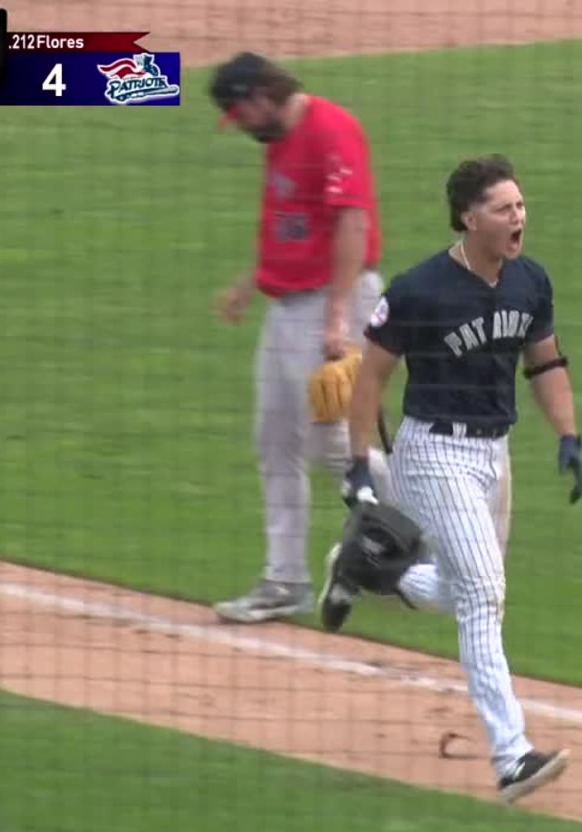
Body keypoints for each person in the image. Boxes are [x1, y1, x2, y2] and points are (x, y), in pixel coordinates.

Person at [318, 154, 582, 804]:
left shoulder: (531, 283)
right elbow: (372, 378)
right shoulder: (420, 290)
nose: (518, 216)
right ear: (470, 219)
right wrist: (358, 463)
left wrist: (569, 436)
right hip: (432, 454)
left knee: (464, 588)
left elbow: (544, 363)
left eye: (520, 205)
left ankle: (359, 565)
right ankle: (512, 756)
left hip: (494, 456)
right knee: (483, 594)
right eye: (504, 208)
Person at [208, 51, 394, 624]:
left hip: (332, 303)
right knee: (275, 441)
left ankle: (424, 521)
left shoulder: (331, 129)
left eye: (241, 112)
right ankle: (284, 578)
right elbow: (294, 226)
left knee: (331, 445)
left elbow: (352, 225)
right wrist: (251, 282)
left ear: (264, 94)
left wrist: (338, 317)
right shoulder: (280, 141)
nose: (240, 125)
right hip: (287, 308)